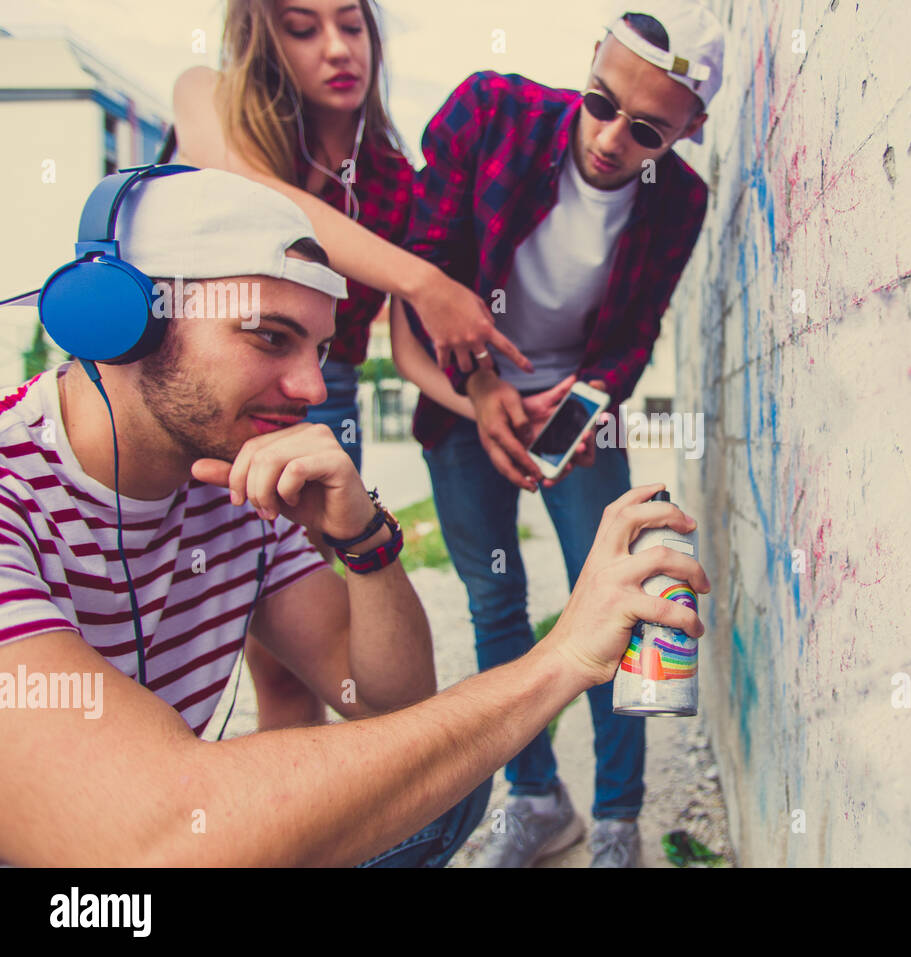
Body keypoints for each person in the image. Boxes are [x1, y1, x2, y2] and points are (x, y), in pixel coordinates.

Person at [0, 168, 708, 867]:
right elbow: (149, 843)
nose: (312, 387)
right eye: (271, 338)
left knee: (438, 782)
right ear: (123, 324)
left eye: (321, 351)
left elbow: (385, 703)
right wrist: (559, 661)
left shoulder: (239, 474)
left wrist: (364, 537)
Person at [395, 1, 724, 867]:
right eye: (601, 102)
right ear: (589, 67)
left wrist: (584, 403)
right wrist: (482, 390)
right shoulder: (489, 113)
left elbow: (633, 335)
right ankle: (537, 798)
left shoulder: (679, 199)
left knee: (627, 600)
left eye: (649, 131)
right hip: (463, 401)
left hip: (576, 415)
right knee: (496, 602)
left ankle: (618, 818)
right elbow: (425, 271)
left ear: (690, 129)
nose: (614, 138)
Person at [169, 0, 528, 731]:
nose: (338, 48)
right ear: (264, 40)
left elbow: (405, 349)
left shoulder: (396, 179)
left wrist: (482, 406)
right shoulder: (207, 100)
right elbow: (244, 187)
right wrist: (424, 280)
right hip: (219, 390)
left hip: (327, 400)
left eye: (351, 24)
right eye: (303, 28)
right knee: (262, 655)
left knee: (316, 647)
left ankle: (328, 822)